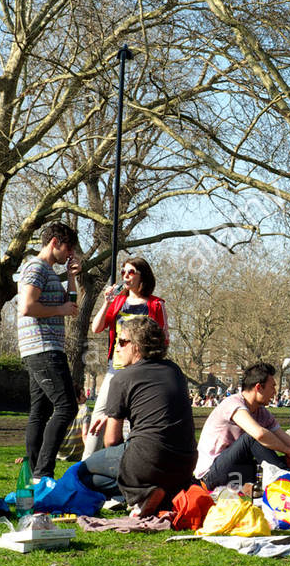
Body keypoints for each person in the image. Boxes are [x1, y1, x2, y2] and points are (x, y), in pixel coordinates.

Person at [80, 317, 196, 516]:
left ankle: (143, 491)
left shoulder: (122, 378)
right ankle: (161, 493)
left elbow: (111, 441)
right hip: (185, 464)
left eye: (122, 342)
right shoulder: (174, 371)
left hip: (147, 459)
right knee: (137, 462)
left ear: (137, 346)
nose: (117, 347)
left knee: (83, 473)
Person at [195, 362, 290, 491]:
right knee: (252, 438)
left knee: (288, 463)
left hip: (237, 469)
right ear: (258, 387)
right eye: (272, 386)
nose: (275, 392)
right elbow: (259, 434)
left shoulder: (262, 413)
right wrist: (287, 451)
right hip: (211, 474)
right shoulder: (233, 404)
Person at [17, 221, 82, 483]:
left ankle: (35, 475)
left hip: (46, 346)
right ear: (55, 242)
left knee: (40, 411)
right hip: (42, 348)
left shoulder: (51, 272)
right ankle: (43, 472)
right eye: (69, 249)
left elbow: (71, 306)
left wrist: (72, 277)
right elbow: (27, 306)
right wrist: (59, 311)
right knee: (67, 407)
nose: (70, 254)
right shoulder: (36, 267)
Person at [85, 256, 169, 457]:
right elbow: (97, 328)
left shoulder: (156, 305)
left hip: (143, 371)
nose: (126, 276)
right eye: (123, 272)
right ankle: (85, 465)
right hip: (117, 368)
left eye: (131, 272)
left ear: (143, 276)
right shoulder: (118, 301)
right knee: (100, 413)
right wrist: (107, 303)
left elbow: (164, 339)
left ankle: (131, 461)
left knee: (135, 417)